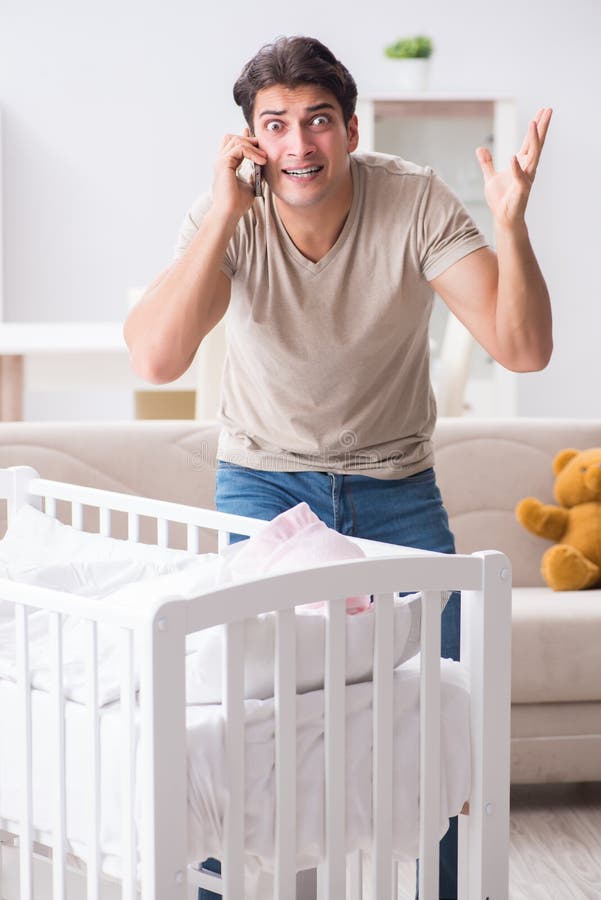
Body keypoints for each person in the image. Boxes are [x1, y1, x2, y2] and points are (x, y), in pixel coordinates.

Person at [124, 34, 553, 900]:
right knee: (241, 721)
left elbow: (524, 349)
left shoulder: (412, 199)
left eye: (317, 120)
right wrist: (221, 216)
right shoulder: (228, 218)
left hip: (396, 491)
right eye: (274, 124)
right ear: (248, 140)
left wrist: (509, 226)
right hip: (263, 488)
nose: (298, 144)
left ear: (350, 130)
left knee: (441, 718)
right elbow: (156, 360)